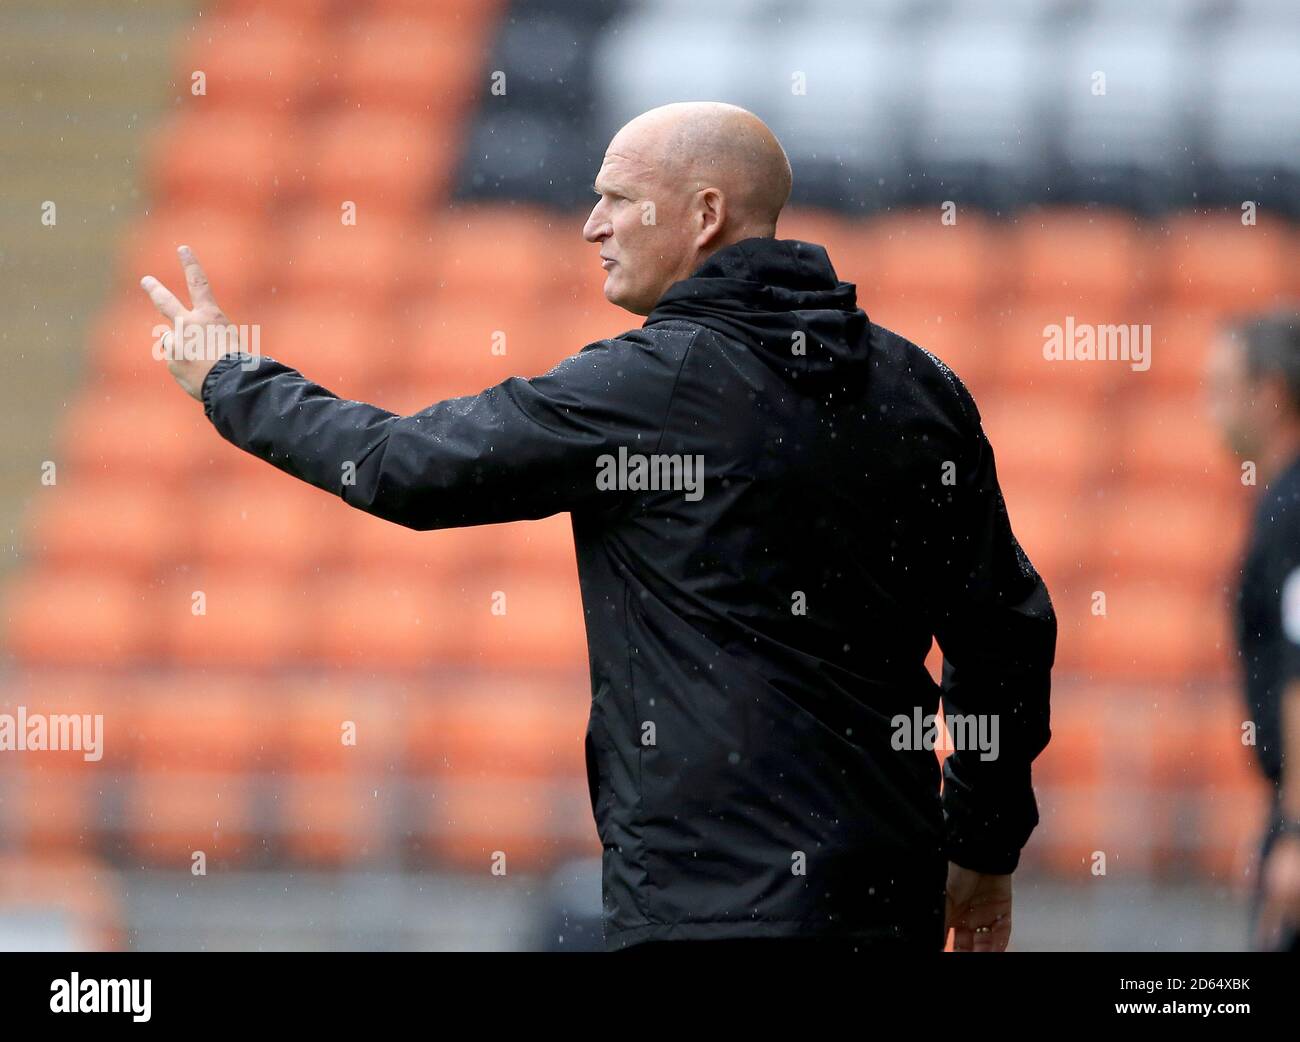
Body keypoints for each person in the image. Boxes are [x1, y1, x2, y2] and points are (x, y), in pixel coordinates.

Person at [140, 102, 1056, 954]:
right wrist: (981, 844)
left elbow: (405, 468)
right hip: (886, 894)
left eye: (617, 198)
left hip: (709, 903)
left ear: (704, 214)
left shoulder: (653, 383)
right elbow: (1004, 633)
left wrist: (232, 380)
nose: (592, 225)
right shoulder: (920, 385)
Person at [1206, 308, 1300, 952]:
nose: (1208, 410)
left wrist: (1294, 830)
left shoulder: (1292, 507)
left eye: (1220, 389)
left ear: (1269, 394)